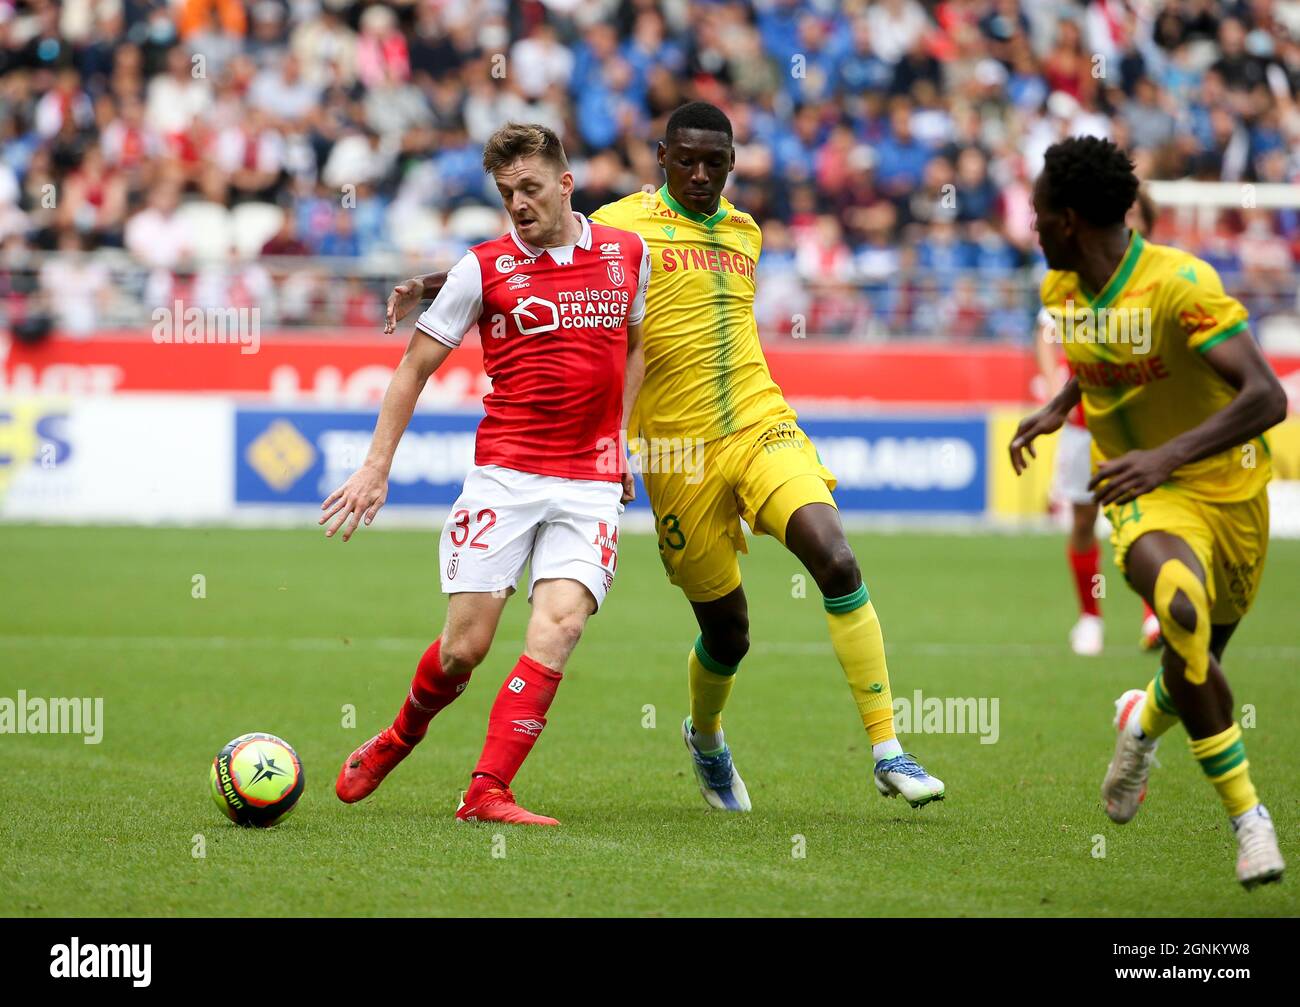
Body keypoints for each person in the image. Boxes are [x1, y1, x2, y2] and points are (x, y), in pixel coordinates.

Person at [385, 102, 944, 814]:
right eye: (688, 160)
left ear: (734, 164)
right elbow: (538, 245)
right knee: (728, 631)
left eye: (717, 162)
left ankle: (888, 747)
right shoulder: (622, 225)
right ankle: (706, 736)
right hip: (677, 454)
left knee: (835, 558)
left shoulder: (746, 231)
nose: (703, 174)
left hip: (760, 425)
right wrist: (435, 285)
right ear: (662, 157)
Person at [323, 123, 649, 826]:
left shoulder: (628, 253)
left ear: (566, 182)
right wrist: (376, 468)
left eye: (530, 188)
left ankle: (487, 790)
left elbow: (634, 343)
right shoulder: (482, 268)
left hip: (588, 484)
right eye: (506, 194)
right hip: (505, 476)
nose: (519, 203)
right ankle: (400, 734)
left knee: (558, 628)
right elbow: (413, 367)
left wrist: (618, 439)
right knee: (464, 648)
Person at [1009, 136, 1287, 887]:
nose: (1028, 227)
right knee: (1181, 612)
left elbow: (1267, 396)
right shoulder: (1060, 292)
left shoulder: (1182, 285)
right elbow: (1097, 361)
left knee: (1194, 661)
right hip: (1139, 493)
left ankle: (1140, 725)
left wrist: (1169, 454)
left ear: (1068, 219)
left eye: (1037, 213)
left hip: (1230, 494)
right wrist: (1058, 404)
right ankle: (1250, 821)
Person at [1032, 187, 1162, 656]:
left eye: (1135, 215)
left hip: (1140, 422)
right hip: (1085, 422)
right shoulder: (1078, 270)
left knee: (1143, 519)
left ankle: (1153, 614)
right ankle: (1090, 618)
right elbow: (1049, 331)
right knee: (1085, 518)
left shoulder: (1160, 276)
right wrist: (1053, 391)